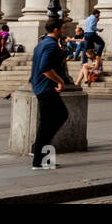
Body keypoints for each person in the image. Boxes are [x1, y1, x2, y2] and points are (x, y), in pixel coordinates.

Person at [30, 19, 70, 168]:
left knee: (49, 122)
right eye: (62, 28)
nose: (63, 31)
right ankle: (39, 156)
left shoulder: (41, 43)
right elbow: (45, 67)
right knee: (58, 117)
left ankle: (41, 154)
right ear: (55, 30)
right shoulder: (51, 45)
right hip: (46, 87)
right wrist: (60, 81)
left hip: (40, 86)